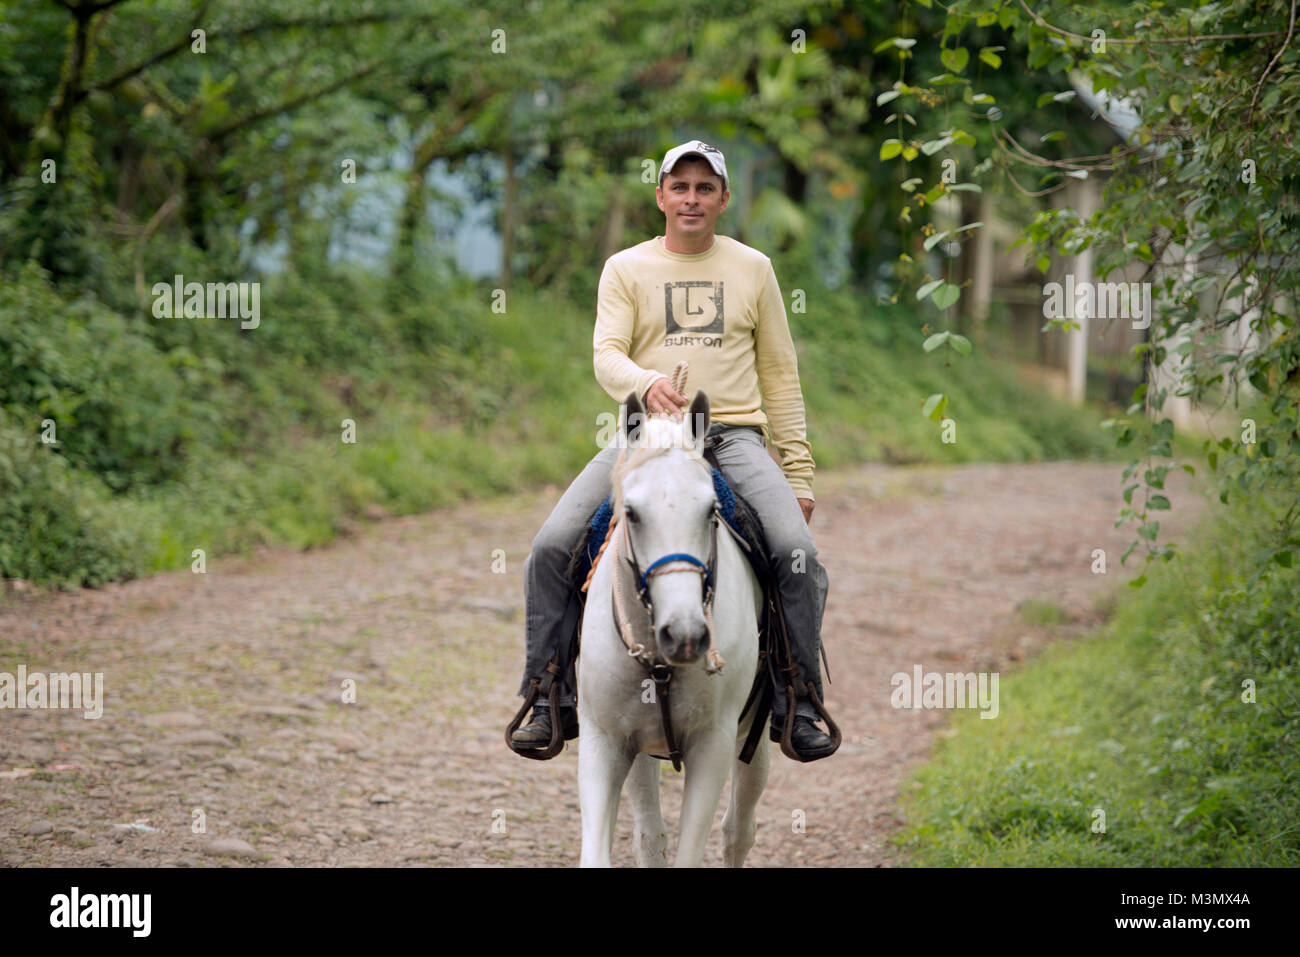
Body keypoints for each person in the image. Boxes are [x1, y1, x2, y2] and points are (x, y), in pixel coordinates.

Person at [509, 139, 834, 760]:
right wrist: (645, 383)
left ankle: (799, 699)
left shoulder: (754, 269)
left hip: (733, 436)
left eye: (704, 188)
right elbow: (606, 354)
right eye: (679, 187)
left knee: (796, 552)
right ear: (659, 196)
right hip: (645, 439)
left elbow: (781, 374)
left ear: (723, 199)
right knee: (551, 546)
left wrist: (799, 472)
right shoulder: (625, 268)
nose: (691, 198)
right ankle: (547, 694)